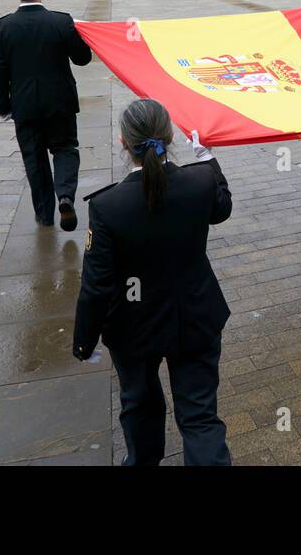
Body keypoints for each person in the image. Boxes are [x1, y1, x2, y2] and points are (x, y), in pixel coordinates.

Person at [73, 98, 234, 466]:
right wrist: (208, 157)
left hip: (133, 326)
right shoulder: (199, 182)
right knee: (200, 417)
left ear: (123, 142)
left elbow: (96, 285)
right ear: (171, 135)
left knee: (140, 409)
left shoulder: (108, 206)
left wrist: (84, 341)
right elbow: (222, 209)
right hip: (195, 316)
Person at [0, 0, 93, 230]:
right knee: (66, 148)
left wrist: (3, 106)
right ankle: (66, 197)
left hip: (24, 105)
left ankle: (44, 214)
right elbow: (82, 59)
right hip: (60, 101)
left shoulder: (2, 27)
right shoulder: (61, 21)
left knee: (34, 158)